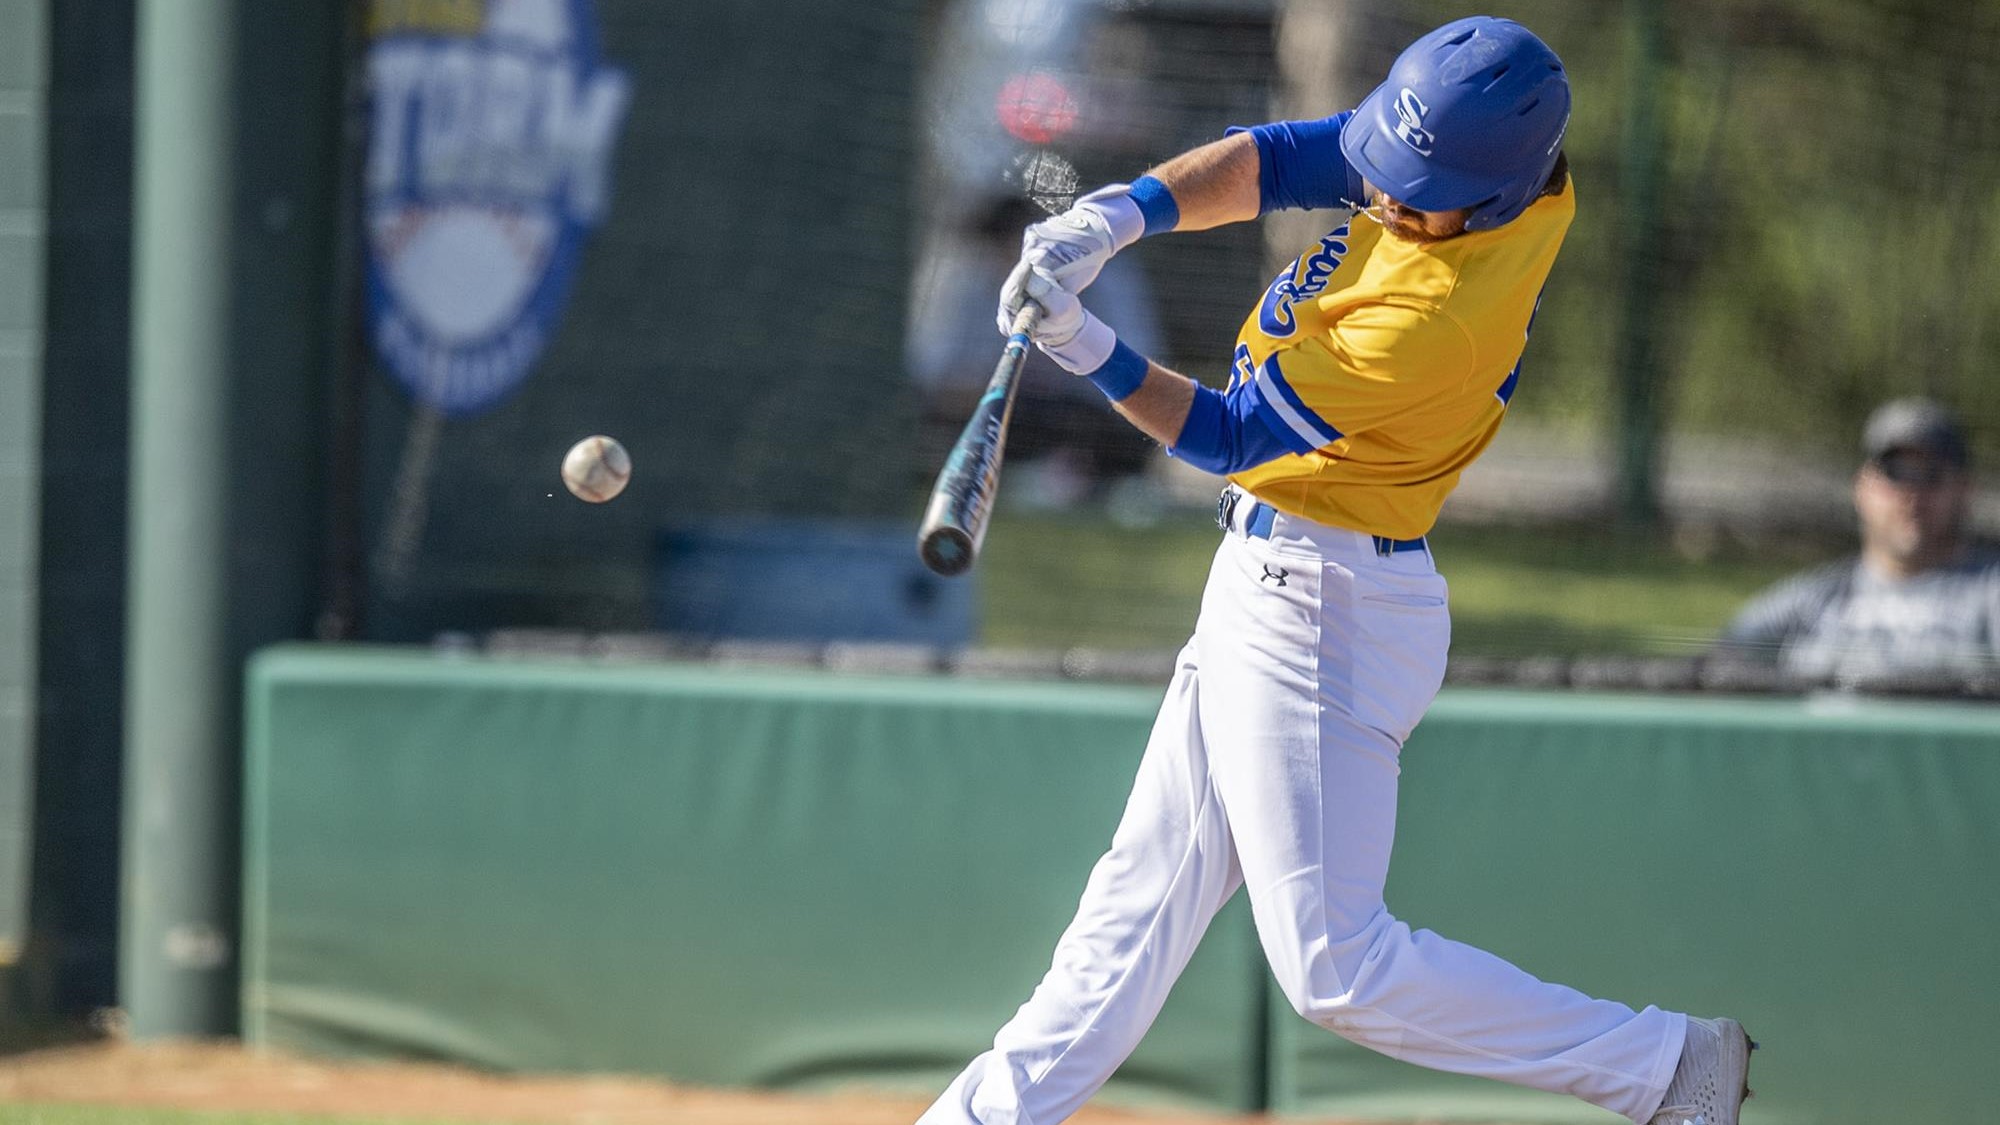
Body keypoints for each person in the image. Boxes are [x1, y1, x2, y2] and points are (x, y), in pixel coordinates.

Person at [918, 18, 1751, 1125]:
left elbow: (1225, 435)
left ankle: (1659, 1068)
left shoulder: (1431, 323)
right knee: (1127, 918)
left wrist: (1084, 347)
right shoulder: (1510, 173)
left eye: (1419, 195)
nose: (1387, 203)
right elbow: (1284, 156)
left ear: (1497, 199)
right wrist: (1116, 213)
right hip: (1277, 578)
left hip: (1325, 606)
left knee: (1333, 968)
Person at [1717, 397, 1999, 683]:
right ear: (1862, 487)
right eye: (1895, 472)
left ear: (1965, 491)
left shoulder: (1989, 594)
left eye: (1931, 475)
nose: (1912, 492)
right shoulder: (1809, 600)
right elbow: (1718, 667)